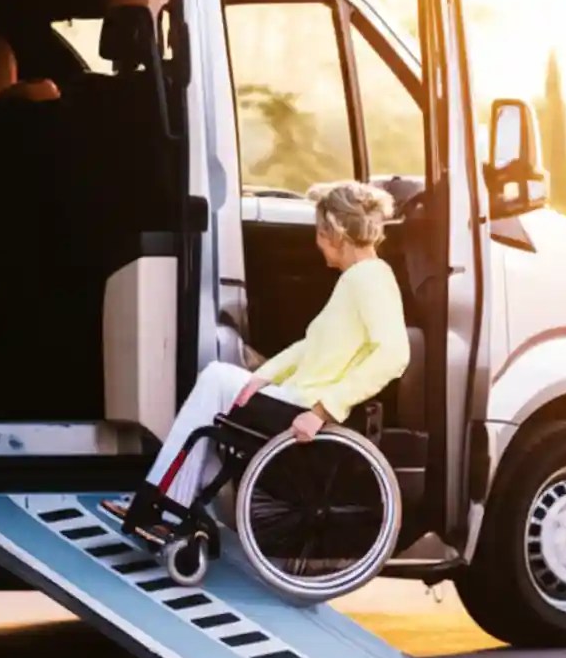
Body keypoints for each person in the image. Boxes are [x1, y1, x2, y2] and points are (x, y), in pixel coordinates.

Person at [101, 181, 411, 534]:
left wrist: (324, 410)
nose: (316, 242)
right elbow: (311, 347)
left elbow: (394, 354)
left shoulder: (368, 279)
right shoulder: (360, 278)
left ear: (335, 233)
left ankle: (166, 507)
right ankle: (174, 503)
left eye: (319, 233)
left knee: (216, 378)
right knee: (215, 397)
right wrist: (262, 376)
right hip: (299, 396)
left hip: (307, 405)